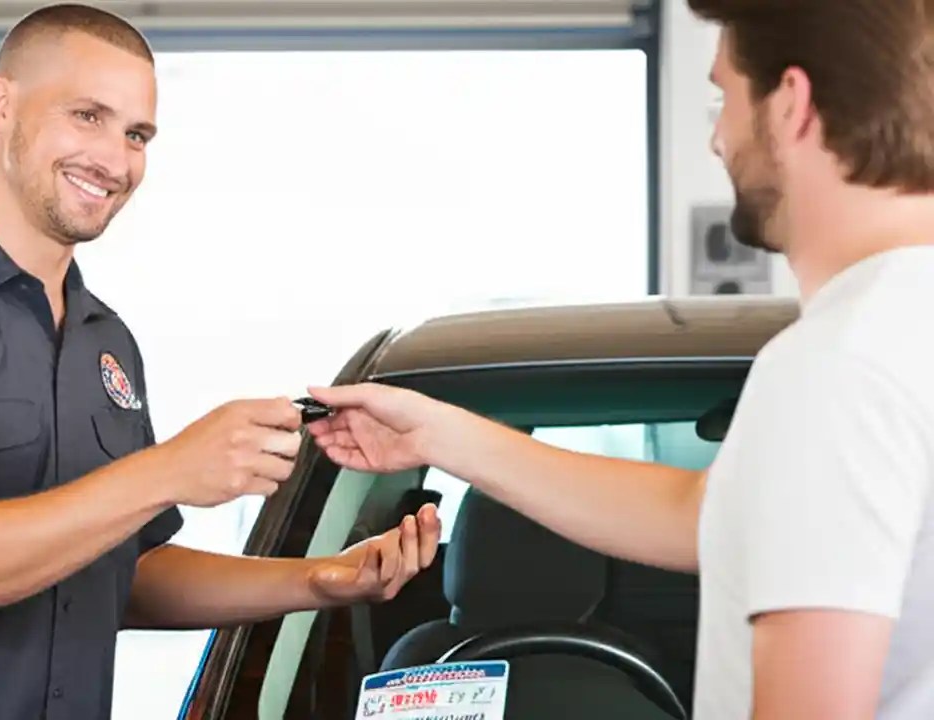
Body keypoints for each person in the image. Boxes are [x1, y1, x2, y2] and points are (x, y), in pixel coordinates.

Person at [0, 5, 440, 719]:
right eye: (87, 116)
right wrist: (173, 469)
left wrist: (319, 580)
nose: (115, 160)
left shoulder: (105, 342)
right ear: (2, 105)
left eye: (136, 134)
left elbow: (123, 575)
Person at [306, 1, 934, 718]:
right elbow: (704, 515)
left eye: (723, 96)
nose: (718, 139)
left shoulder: (833, 369)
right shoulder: (903, 337)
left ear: (790, 104)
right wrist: (441, 435)